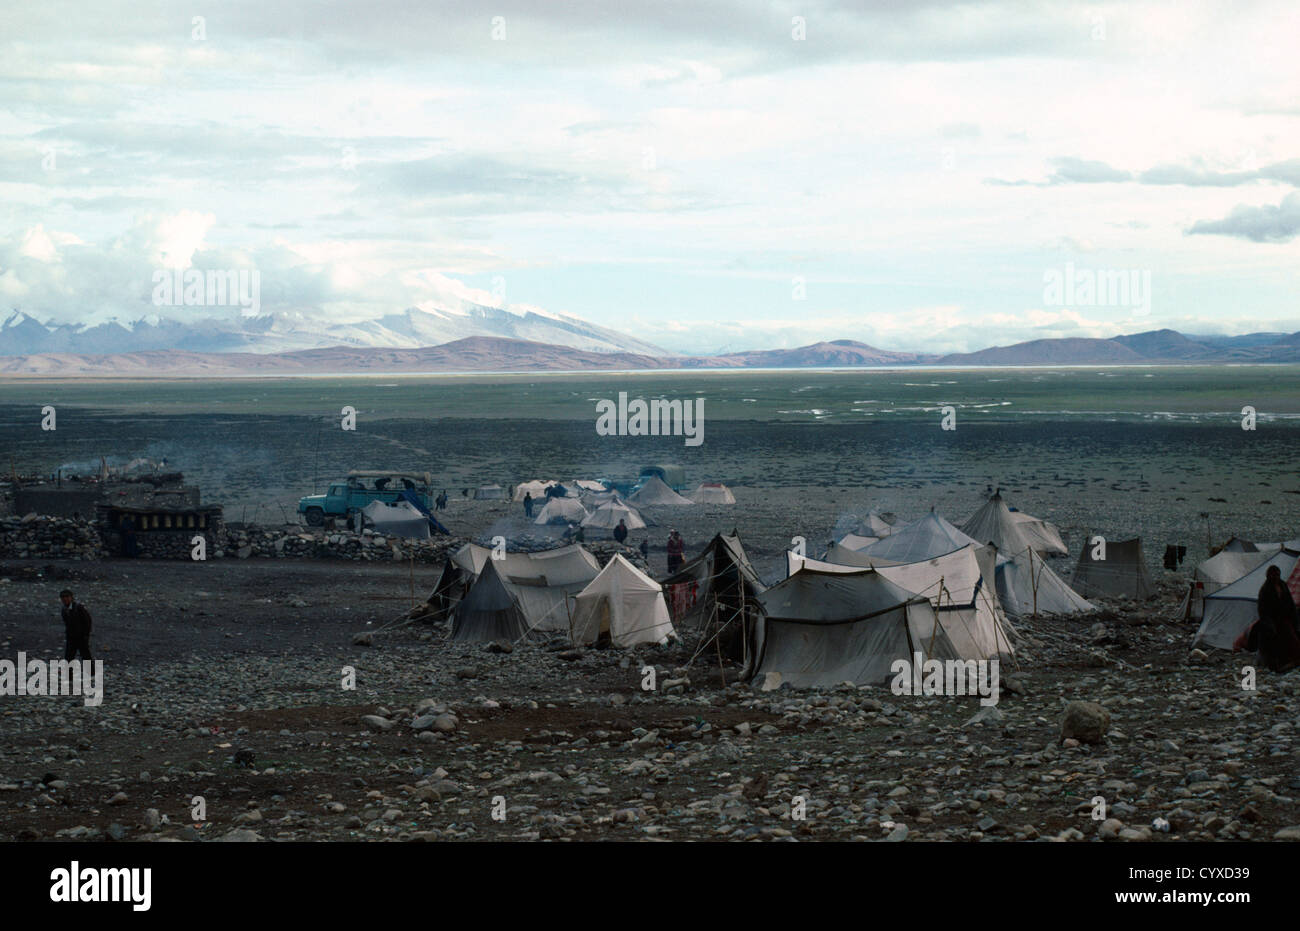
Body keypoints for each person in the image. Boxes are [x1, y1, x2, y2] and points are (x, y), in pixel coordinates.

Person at [1256, 564, 1300, 672]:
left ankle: (1293, 660)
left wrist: (1294, 618)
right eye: (1273, 575)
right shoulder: (1265, 589)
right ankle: (1278, 664)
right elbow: (1262, 609)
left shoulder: (1282, 585)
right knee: (1275, 643)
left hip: (1284, 618)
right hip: (1272, 620)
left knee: (1292, 639)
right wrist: (1269, 623)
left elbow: (1289, 602)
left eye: (1277, 575)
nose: (1275, 577)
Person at [59, 589, 93, 661]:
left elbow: (87, 621)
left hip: (81, 637)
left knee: (85, 656)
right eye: (63, 597)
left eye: (67, 597)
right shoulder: (64, 609)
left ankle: (91, 672)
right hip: (71, 637)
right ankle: (69, 672)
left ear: (71, 598)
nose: (65, 599)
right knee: (69, 657)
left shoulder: (78, 608)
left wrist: (85, 635)